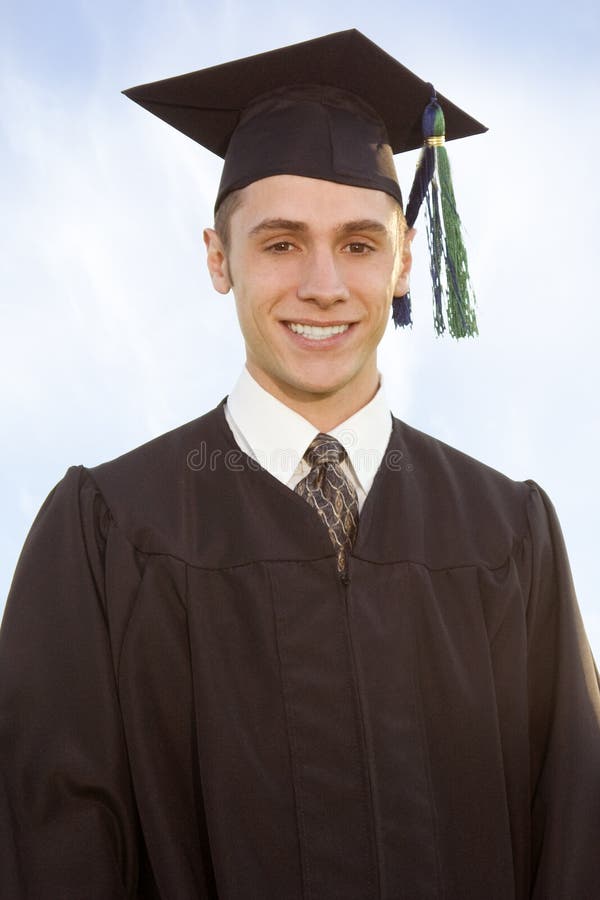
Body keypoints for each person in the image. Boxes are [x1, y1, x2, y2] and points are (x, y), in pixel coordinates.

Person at [1, 29, 598, 900]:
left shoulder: (509, 535)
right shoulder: (107, 532)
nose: (323, 283)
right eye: (281, 243)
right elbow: (48, 847)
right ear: (218, 258)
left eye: (359, 245)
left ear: (401, 265)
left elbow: (579, 838)